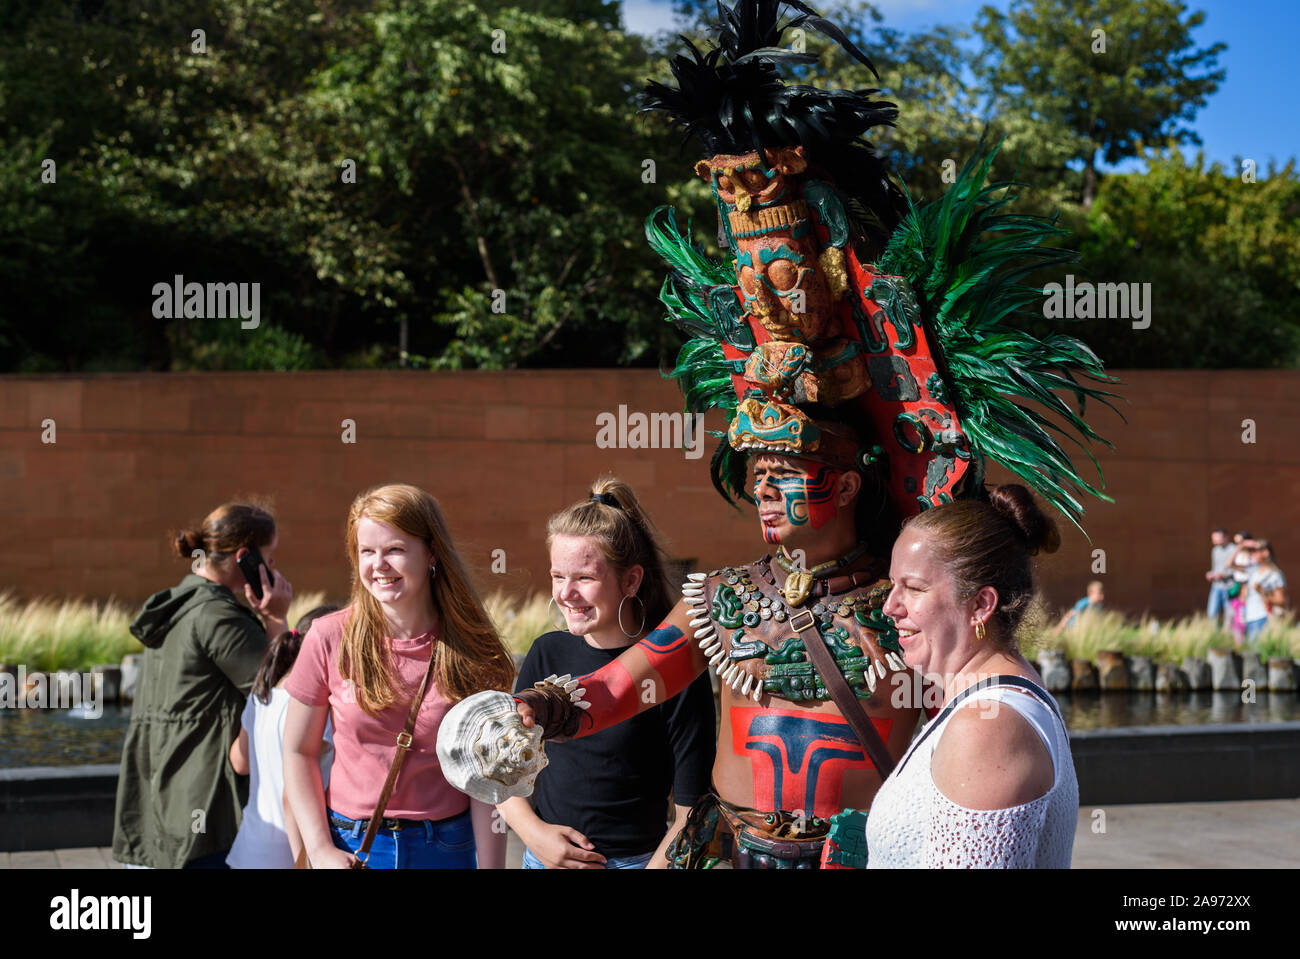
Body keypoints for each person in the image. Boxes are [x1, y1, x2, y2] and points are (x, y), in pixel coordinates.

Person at [479, 0, 1112, 869]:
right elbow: (625, 683)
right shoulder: (721, 601)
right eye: (762, 476)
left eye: (789, 476)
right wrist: (551, 704)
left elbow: (968, 739)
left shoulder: (913, 611)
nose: (768, 494)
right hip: (728, 851)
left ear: (848, 481)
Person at [282, 484, 515, 869]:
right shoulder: (327, 637)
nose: (379, 565)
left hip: (446, 847)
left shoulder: (474, 647)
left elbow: (485, 778)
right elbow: (297, 751)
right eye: (366, 552)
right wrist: (320, 850)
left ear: (432, 554)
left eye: (394, 550)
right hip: (353, 848)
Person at [498, 479, 715, 869]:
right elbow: (505, 774)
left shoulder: (673, 666)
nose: (566, 593)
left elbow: (692, 815)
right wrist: (535, 835)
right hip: (540, 860)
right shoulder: (546, 652)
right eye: (558, 576)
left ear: (631, 580)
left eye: (584, 578)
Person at [867, 485, 1079, 868]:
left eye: (914, 588)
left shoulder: (986, 727)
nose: (889, 606)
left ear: (981, 604)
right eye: (892, 584)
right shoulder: (991, 702)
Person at [113, 501, 294, 868]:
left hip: (157, 805)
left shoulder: (179, 605)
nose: (273, 566)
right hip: (203, 810)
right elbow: (281, 693)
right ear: (246, 556)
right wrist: (276, 618)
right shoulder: (218, 615)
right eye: (269, 556)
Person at [226, 604, 339, 869]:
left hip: (248, 850)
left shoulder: (262, 695)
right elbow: (292, 795)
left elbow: (239, 762)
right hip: (288, 857)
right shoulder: (315, 707)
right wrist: (306, 863)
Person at [1242, 539, 1287, 645]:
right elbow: (1229, 565)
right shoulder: (1255, 572)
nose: (1251, 553)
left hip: (1263, 618)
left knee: (1260, 657)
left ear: (1265, 552)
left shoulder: (1274, 574)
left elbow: (1281, 601)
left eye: (1255, 550)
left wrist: (1262, 591)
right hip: (1250, 617)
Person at [1205, 527, 1236, 629]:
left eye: (1217, 538)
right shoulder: (1215, 550)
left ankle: (1228, 635)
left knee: (1229, 614)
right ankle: (1214, 634)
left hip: (1230, 586)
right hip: (1217, 586)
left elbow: (1236, 570)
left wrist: (1222, 575)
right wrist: (1211, 574)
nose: (1214, 541)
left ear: (1226, 537)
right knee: (1212, 612)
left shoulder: (1233, 549)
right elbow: (1215, 567)